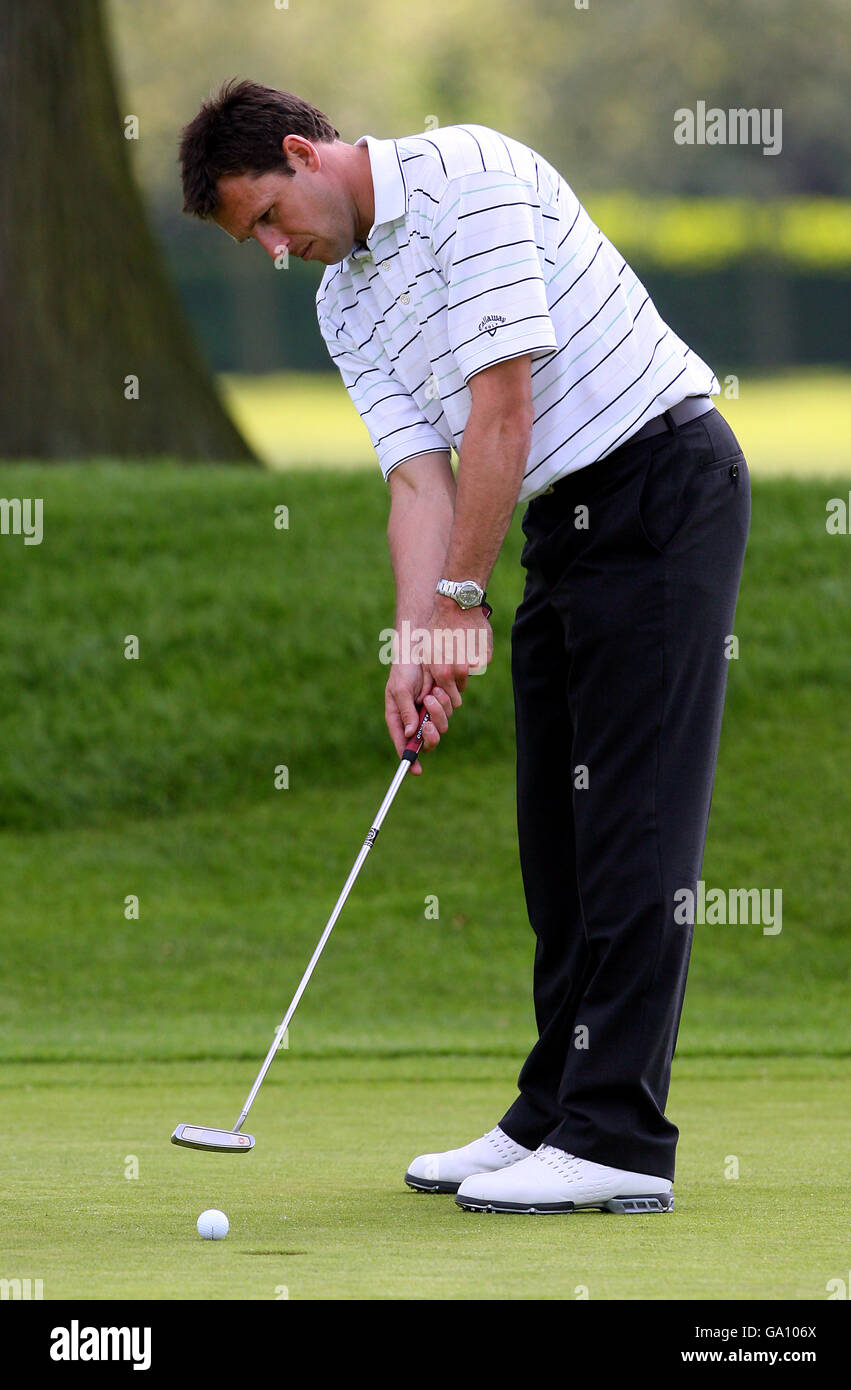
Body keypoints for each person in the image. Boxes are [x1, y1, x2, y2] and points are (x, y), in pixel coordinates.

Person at [180, 80, 750, 1215]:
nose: (274, 249)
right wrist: (416, 641)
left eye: (266, 219)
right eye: (253, 239)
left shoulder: (470, 180)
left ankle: (617, 1136)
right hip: (556, 522)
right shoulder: (342, 304)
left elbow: (502, 407)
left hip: (660, 485)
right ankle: (554, 1108)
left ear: (304, 153)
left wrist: (457, 601)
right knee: (557, 834)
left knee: (631, 825)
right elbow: (416, 477)